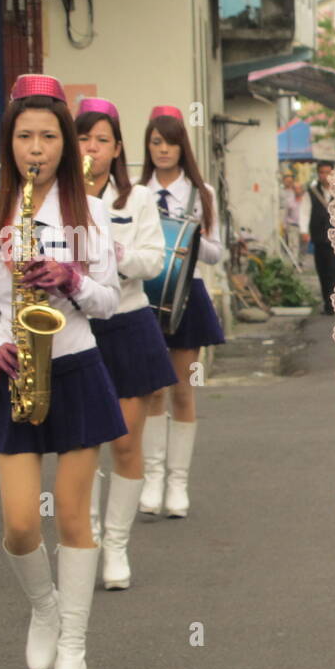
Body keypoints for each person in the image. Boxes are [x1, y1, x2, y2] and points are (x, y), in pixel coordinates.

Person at [0, 73, 124, 669]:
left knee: (73, 512)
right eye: (25, 136)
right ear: (9, 143)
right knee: (21, 524)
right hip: (15, 374)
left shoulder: (87, 215)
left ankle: (74, 647)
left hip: (77, 367)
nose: (36, 148)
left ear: (67, 143)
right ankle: (43, 607)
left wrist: (72, 278)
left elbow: (110, 303)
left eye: (48, 136)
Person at [76, 97, 177, 588]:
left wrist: (110, 253)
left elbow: (154, 261)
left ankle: (116, 546)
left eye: (101, 139)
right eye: (83, 138)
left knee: (122, 440)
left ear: (117, 147)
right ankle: (88, 539)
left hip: (129, 322)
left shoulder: (134, 199)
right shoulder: (57, 199)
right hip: (76, 329)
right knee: (81, 444)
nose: (91, 148)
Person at [138, 105, 225, 518]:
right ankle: (152, 479)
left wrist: (194, 241)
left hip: (186, 299)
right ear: (147, 146)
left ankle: (178, 484)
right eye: (156, 142)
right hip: (144, 298)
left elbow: (216, 251)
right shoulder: (135, 192)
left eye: (171, 142)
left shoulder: (200, 192)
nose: (163, 149)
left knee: (182, 390)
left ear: (182, 146)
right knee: (152, 390)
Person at [308, 159, 335, 314]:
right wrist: (304, 231)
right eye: (322, 173)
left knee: (334, 270)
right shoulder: (312, 192)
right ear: (318, 174)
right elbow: (305, 211)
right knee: (322, 271)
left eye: (328, 173)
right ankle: (327, 302)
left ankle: (334, 302)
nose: (325, 176)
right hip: (319, 238)